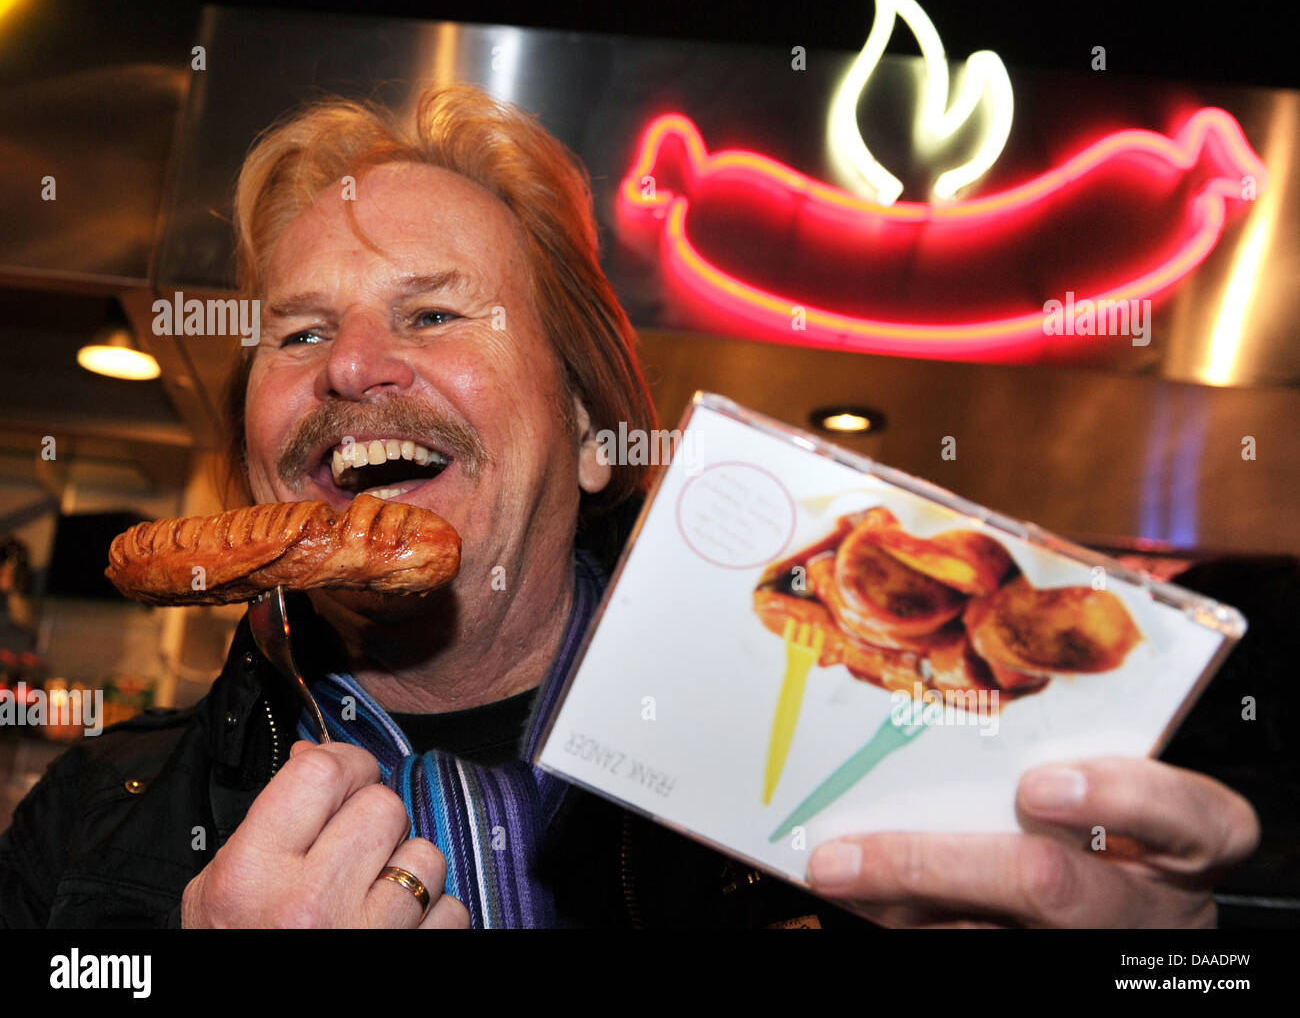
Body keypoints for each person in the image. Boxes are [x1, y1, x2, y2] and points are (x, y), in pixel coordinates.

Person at [0, 85, 1260, 929]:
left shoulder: (867, 761)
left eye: (435, 313)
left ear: (597, 435)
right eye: (300, 331)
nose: (350, 367)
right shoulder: (86, 830)